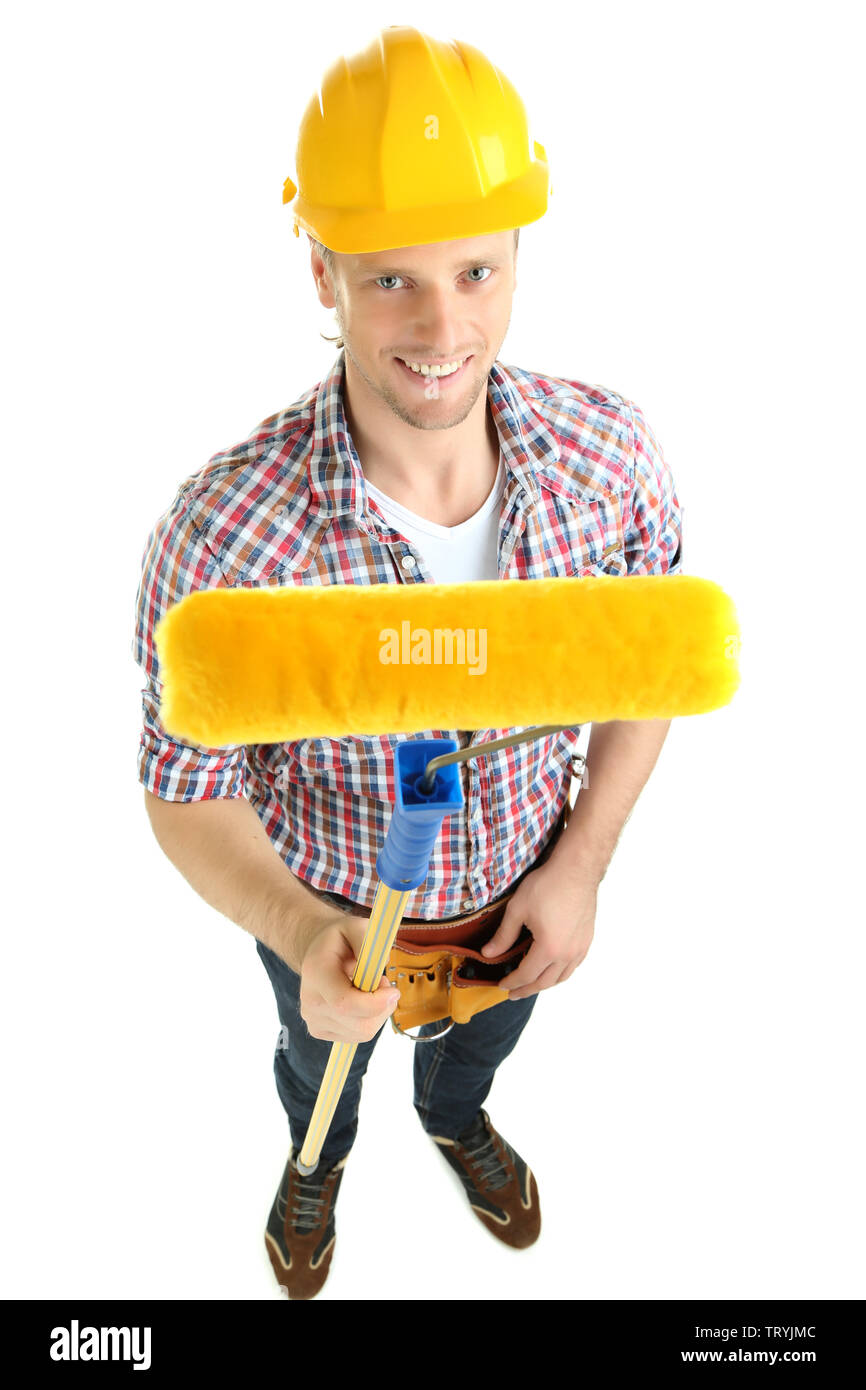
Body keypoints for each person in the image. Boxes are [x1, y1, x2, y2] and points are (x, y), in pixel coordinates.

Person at [132, 25, 683, 1301]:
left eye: (476, 272)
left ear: (514, 261)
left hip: (519, 898)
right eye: (390, 280)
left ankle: (458, 1121)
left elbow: (644, 680)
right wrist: (298, 927)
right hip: (325, 915)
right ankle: (314, 1161)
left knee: (473, 1054)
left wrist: (579, 867)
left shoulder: (610, 466)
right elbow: (179, 779)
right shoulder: (222, 534)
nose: (443, 326)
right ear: (319, 270)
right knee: (314, 1065)